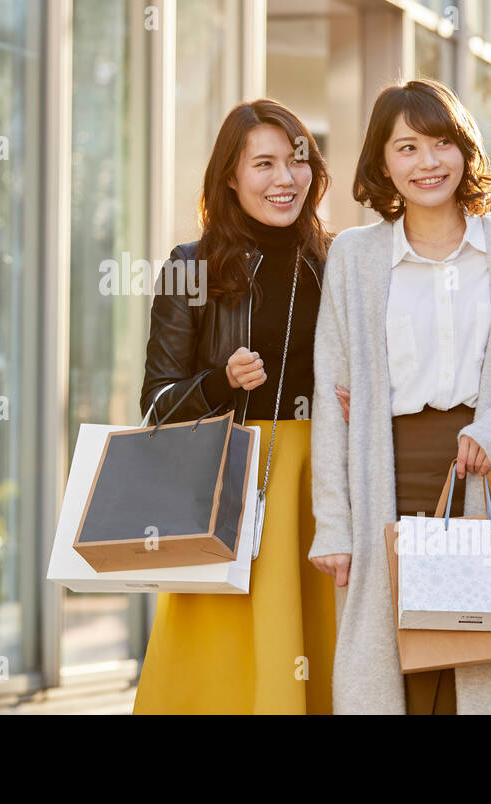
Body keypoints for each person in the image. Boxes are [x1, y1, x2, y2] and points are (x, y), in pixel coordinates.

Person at [308, 78, 491, 714]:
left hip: (487, 480)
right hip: (389, 484)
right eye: (406, 148)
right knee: (396, 676)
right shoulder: (354, 256)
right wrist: (334, 524)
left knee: (481, 664)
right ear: (382, 162)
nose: (426, 163)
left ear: (465, 149)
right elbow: (331, 397)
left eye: (440, 144)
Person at [133, 98, 337, 714]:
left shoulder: (336, 263)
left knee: (313, 648)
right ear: (230, 175)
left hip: (316, 482)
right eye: (264, 164)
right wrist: (220, 383)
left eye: (296, 161)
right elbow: (156, 406)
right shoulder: (190, 268)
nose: (285, 179)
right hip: (228, 481)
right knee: (223, 666)